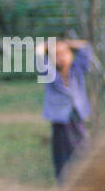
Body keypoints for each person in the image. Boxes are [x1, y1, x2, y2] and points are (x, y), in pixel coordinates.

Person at [40, 38, 93, 181]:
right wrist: (46, 46)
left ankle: (84, 180)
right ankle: (64, 182)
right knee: (62, 152)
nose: (61, 58)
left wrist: (68, 43)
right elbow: (38, 56)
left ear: (71, 55)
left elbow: (86, 49)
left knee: (82, 148)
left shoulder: (77, 70)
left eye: (64, 53)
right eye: (56, 55)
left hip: (77, 117)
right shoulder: (50, 74)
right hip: (60, 120)